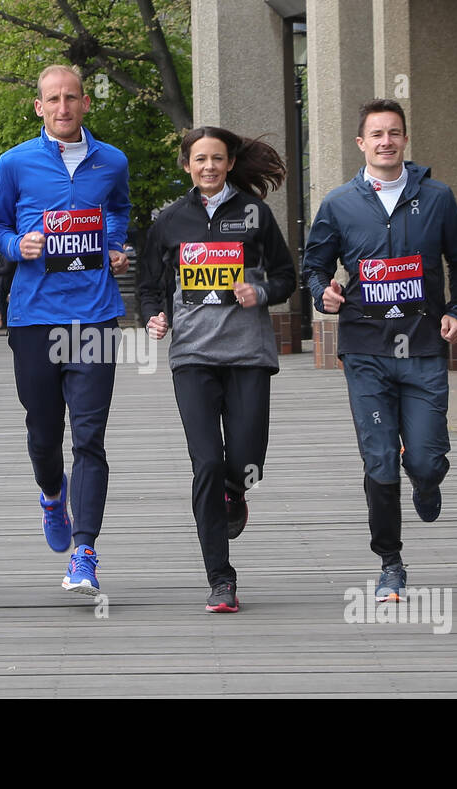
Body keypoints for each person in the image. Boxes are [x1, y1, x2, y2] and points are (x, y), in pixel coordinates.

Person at [302, 98, 457, 604]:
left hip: (422, 348)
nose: (385, 141)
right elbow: (315, 265)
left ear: (404, 140)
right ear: (361, 143)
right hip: (364, 350)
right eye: (376, 134)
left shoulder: (437, 197)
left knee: (422, 458)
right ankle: (390, 563)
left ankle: (426, 480)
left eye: (394, 133)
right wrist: (323, 294)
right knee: (379, 459)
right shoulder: (339, 203)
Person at [138, 127, 295, 613]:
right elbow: (148, 286)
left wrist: (260, 291)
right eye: (200, 159)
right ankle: (220, 578)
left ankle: (236, 490)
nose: (209, 167)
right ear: (187, 164)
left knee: (246, 460)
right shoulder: (169, 221)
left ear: (229, 164)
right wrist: (153, 316)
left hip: (248, 353)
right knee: (205, 463)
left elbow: (286, 276)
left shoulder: (255, 214)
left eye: (218, 159)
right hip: (192, 357)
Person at [0, 64, 130, 596]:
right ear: (39, 107)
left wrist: (116, 245)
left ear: (86, 104)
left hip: (94, 313)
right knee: (44, 434)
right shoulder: (15, 163)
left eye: (73, 98)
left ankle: (85, 552)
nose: (64, 107)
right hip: (34, 317)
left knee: (89, 438)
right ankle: (52, 495)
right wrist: (14, 246)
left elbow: (119, 211)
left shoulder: (111, 160)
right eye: (54, 99)